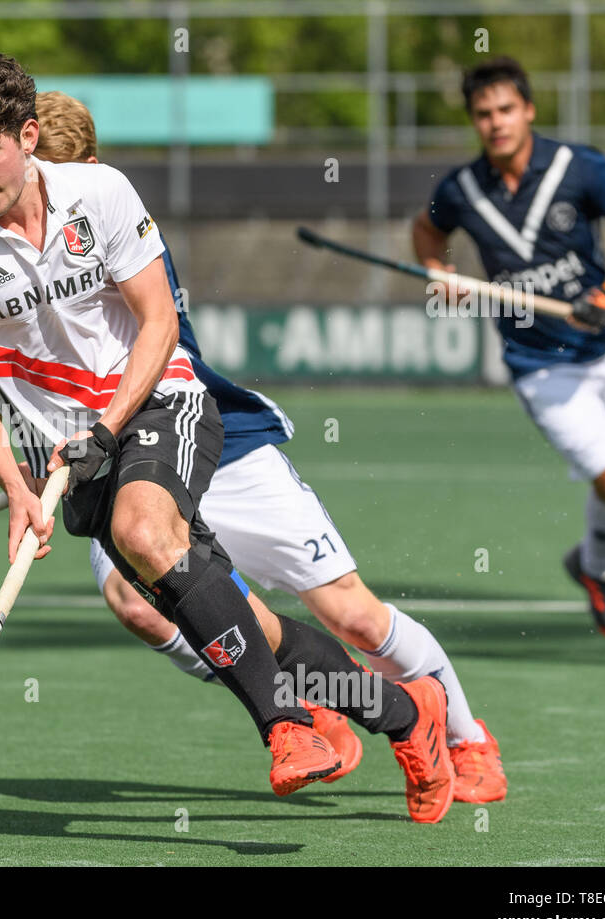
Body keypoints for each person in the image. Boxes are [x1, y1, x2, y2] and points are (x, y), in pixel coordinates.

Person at [0, 52, 454, 822]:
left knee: (142, 529)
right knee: (247, 625)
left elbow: (160, 323)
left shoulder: (98, 194)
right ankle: (407, 714)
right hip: (78, 452)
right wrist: (16, 490)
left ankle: (287, 729)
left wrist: (104, 425)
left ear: (28, 136)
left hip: (162, 400)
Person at [33, 90, 507, 805]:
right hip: (113, 467)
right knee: (142, 605)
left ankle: (466, 737)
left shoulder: (112, 225)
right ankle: (305, 705)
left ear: (92, 174)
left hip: (207, 442)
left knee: (350, 614)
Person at [412, 57, 605, 641]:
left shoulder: (579, 168)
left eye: (506, 109)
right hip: (540, 368)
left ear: (528, 110)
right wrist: (439, 271)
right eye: (484, 114)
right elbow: (427, 231)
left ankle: (594, 569)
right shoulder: (460, 191)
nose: (496, 122)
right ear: (473, 122)